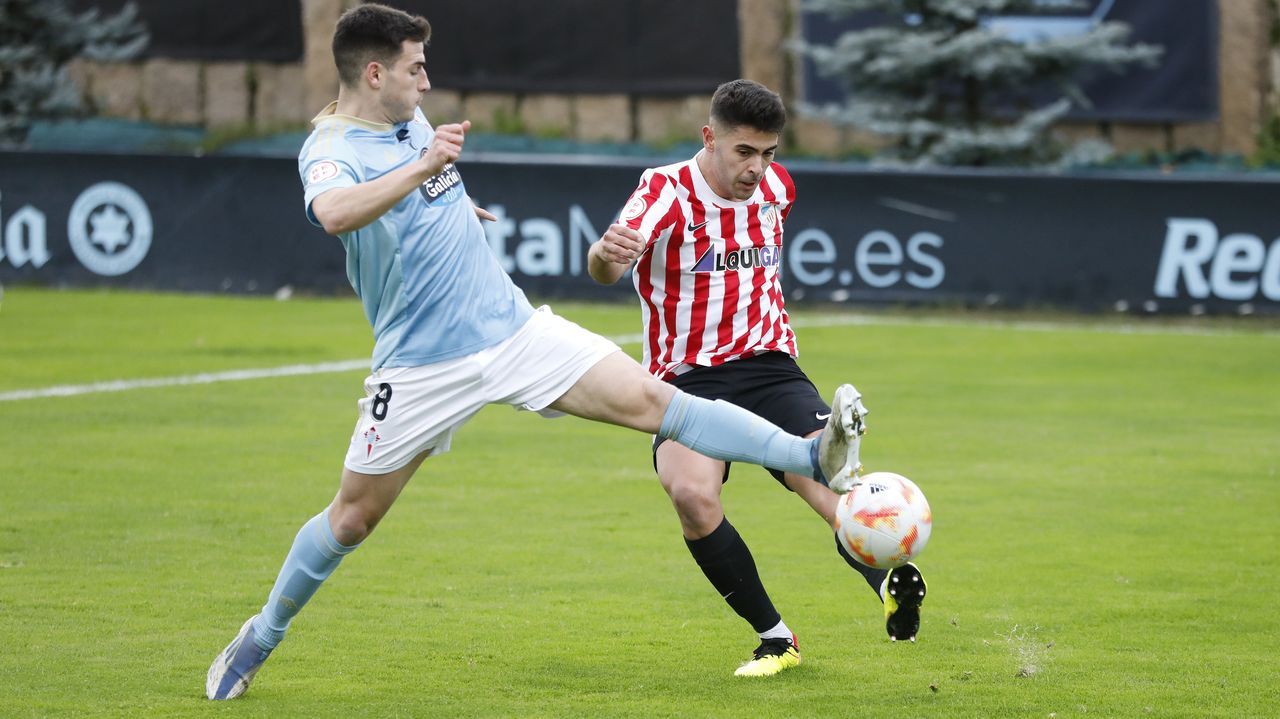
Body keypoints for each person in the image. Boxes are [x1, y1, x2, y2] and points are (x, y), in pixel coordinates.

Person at [205, 5, 867, 701]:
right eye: (415, 68)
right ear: (374, 73)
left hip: (515, 331)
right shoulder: (330, 150)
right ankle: (262, 634)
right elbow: (337, 212)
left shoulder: (408, 124)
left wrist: (456, 202)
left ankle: (812, 454)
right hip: (422, 365)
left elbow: (425, 187)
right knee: (352, 517)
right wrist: (426, 166)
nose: (427, 82)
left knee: (659, 402)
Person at [586, 79, 927, 678]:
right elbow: (607, 270)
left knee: (833, 492)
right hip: (687, 379)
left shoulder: (778, 188)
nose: (757, 168)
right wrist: (604, 253)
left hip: (771, 367)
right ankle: (776, 638)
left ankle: (890, 585)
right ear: (709, 137)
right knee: (692, 495)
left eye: (768, 153)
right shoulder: (665, 191)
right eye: (744, 152)